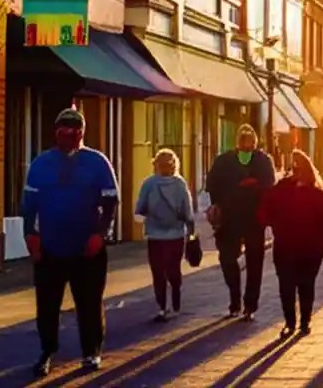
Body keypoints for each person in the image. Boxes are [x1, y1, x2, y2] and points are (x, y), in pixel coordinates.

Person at [21, 108, 119, 377]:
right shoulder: (41, 163)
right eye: (63, 128)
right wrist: (31, 234)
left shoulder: (97, 162)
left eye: (75, 129)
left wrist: (100, 234)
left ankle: (91, 352)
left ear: (82, 132)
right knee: (47, 304)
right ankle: (46, 351)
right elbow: (29, 205)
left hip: (87, 248)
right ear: (55, 131)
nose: (69, 133)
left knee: (89, 302)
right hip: (50, 247)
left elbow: (110, 201)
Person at [259, 150, 323, 337]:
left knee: (305, 285)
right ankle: (290, 322)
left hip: (310, 249)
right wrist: (268, 222)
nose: (296, 173)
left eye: (300, 169)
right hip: (286, 246)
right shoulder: (281, 190)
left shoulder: (318, 196)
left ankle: (304, 321)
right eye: (293, 168)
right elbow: (265, 209)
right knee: (287, 286)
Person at [205, 124, 276, 320]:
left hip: (255, 219)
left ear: (255, 141)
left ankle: (250, 305)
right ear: (237, 141)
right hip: (229, 218)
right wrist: (218, 205)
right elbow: (211, 186)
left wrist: (256, 188)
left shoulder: (263, 161)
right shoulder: (223, 161)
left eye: (250, 140)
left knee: (255, 261)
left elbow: (270, 187)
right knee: (227, 258)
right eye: (243, 140)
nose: (247, 144)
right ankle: (235, 299)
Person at [134, 149, 195, 322]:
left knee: (158, 272)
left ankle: (162, 307)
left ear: (156, 165)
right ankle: (175, 298)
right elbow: (187, 211)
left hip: (155, 236)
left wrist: (149, 216)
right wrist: (190, 230)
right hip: (176, 235)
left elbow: (140, 209)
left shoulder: (148, 184)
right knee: (173, 268)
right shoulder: (180, 184)